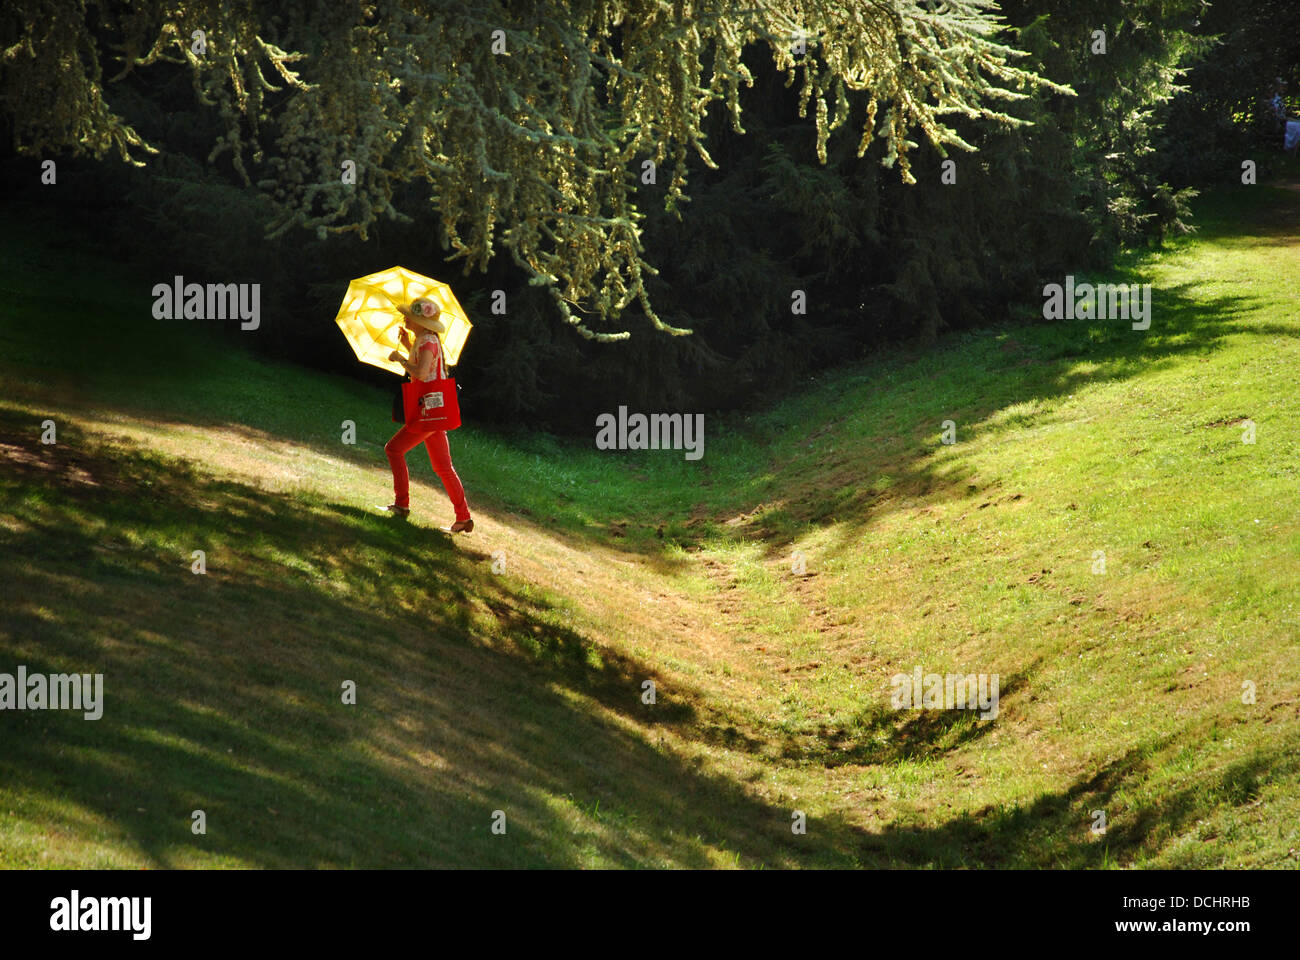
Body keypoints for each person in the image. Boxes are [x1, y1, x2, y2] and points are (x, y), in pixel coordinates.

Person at [380, 297, 473, 533]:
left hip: (427, 410)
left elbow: (421, 373)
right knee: (443, 467)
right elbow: (426, 369)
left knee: (394, 449)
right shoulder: (424, 339)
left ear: (421, 322)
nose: (405, 318)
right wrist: (406, 343)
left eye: (409, 316)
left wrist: (400, 358)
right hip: (435, 409)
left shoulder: (427, 342)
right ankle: (463, 518)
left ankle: (402, 505)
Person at [1271, 78, 1300, 155]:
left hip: (1285, 120)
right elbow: (1276, 115)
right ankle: (1293, 152)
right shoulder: (1274, 99)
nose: (1284, 88)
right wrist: (1287, 118)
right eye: (1282, 86)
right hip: (1281, 122)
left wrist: (1290, 114)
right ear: (1277, 87)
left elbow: (1282, 112)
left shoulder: (1279, 99)